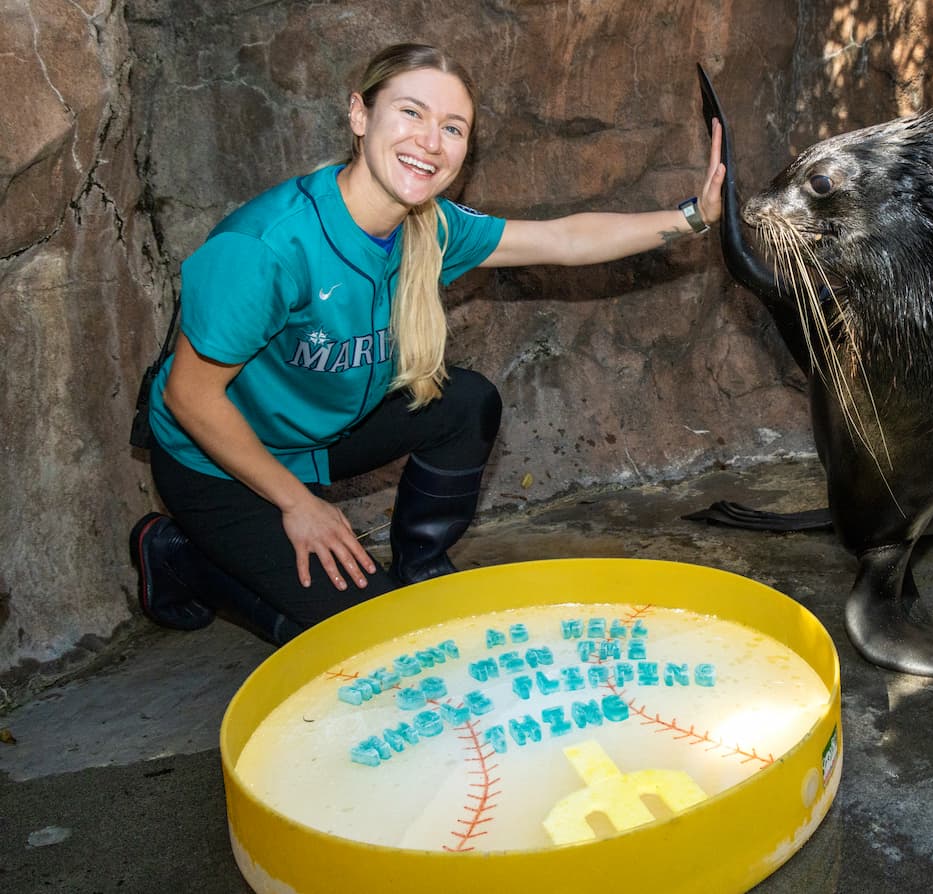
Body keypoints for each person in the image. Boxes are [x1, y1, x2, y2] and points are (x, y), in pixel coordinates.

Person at [130, 42, 725, 645]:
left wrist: (694, 215)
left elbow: (564, 240)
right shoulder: (268, 247)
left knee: (466, 403)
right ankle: (180, 556)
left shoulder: (430, 226)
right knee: (371, 639)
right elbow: (189, 395)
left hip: (317, 437)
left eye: (452, 127)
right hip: (213, 460)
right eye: (411, 113)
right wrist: (298, 505)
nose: (430, 142)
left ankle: (419, 570)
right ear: (360, 116)